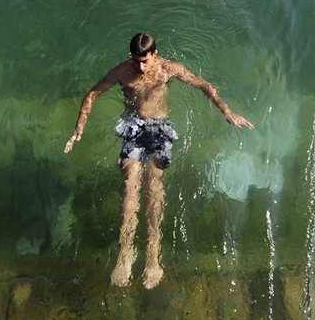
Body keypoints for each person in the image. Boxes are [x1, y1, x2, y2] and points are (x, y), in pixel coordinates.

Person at [64, 32, 254, 288]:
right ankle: (125, 252)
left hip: (159, 128)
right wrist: (79, 129)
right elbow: (92, 94)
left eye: (145, 61)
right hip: (133, 126)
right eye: (135, 61)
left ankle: (153, 257)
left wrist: (227, 111)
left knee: (153, 186)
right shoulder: (123, 72)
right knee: (130, 185)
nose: (140, 67)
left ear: (155, 54)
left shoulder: (168, 70)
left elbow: (203, 85)